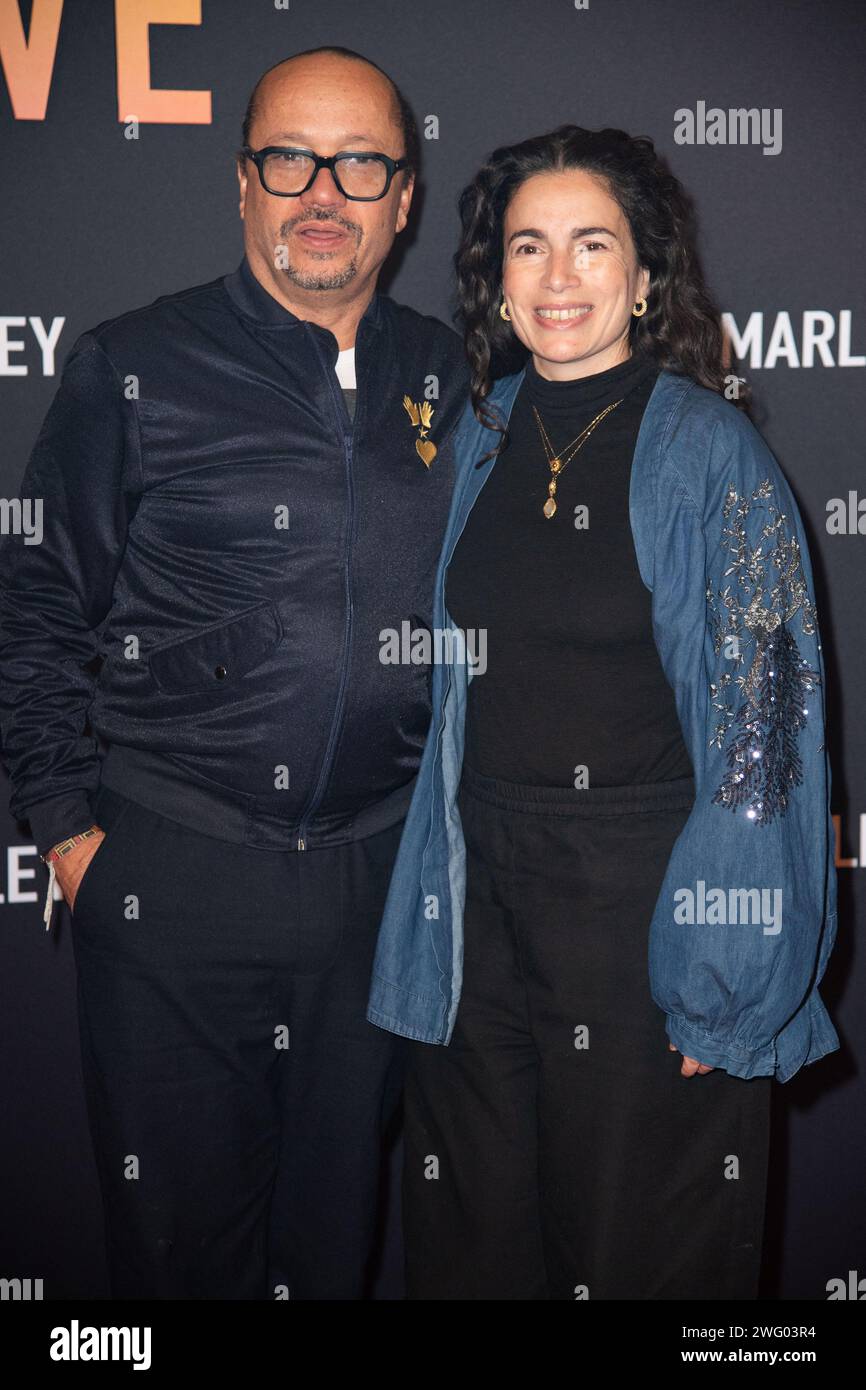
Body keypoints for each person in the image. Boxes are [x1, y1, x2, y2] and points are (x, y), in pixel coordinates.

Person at [0, 46, 469, 1299]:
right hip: (173, 876)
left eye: (359, 162)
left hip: (377, 884)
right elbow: (38, 600)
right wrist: (68, 834)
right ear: (243, 184)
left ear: (403, 195)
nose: (324, 190)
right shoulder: (132, 365)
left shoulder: (453, 373)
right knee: (177, 1263)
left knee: (330, 1251)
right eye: (289, 159)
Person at [366, 124, 840, 1299]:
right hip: (477, 917)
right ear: (496, 278)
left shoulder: (709, 454)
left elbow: (761, 741)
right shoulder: (476, 435)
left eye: (592, 245)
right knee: (472, 1254)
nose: (559, 276)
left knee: (644, 1260)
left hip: (649, 914)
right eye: (528, 246)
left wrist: (722, 983)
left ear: (643, 277)